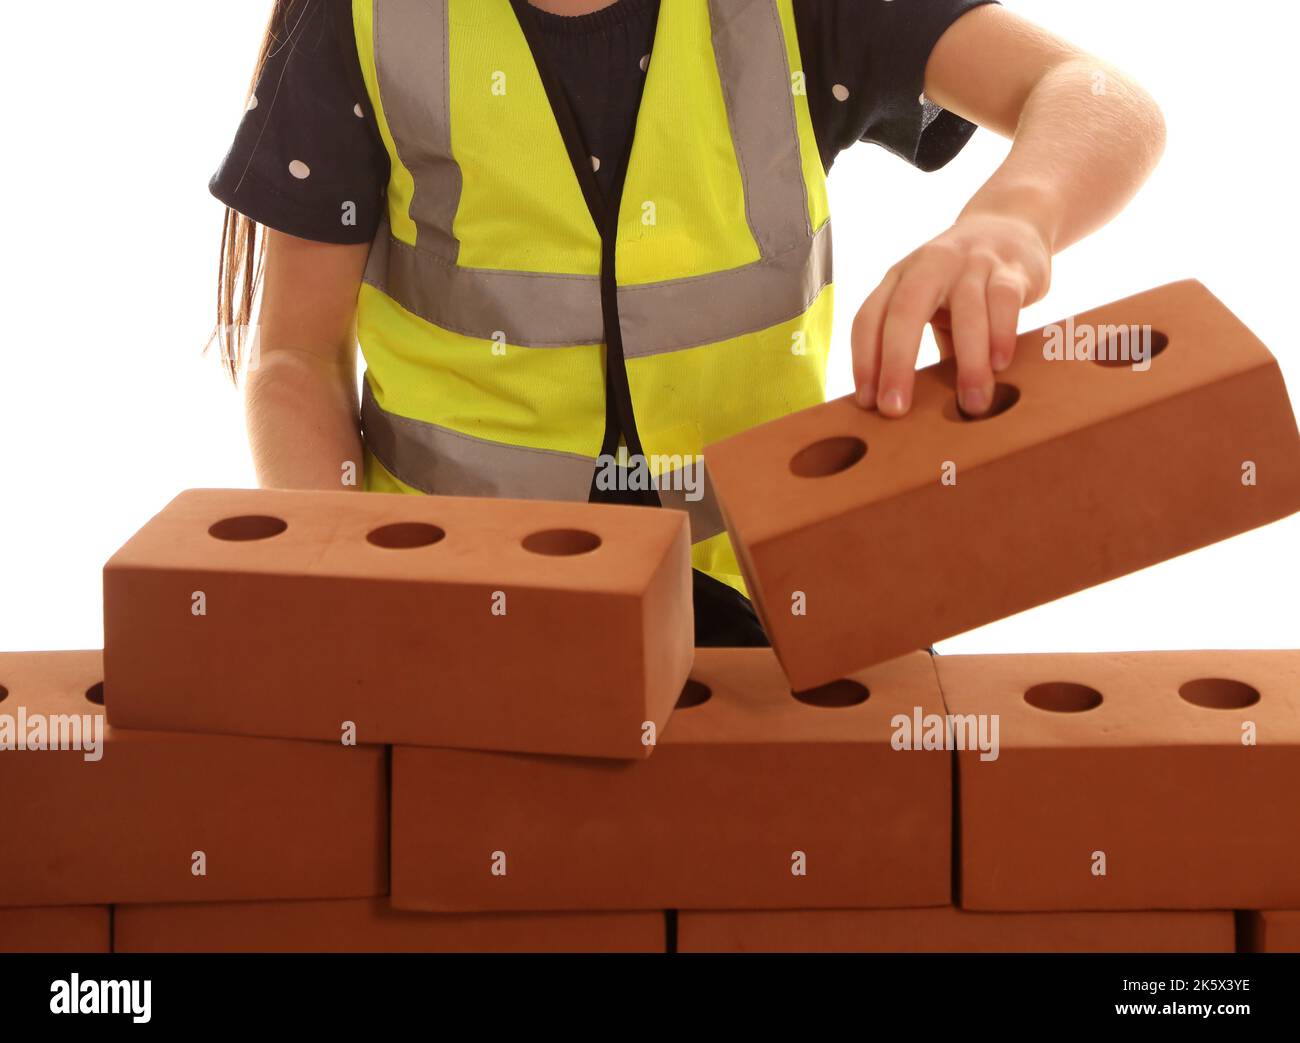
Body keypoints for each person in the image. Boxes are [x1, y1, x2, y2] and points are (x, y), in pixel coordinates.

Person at [210, 0, 1165, 646]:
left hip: (753, 622)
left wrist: (1010, 222)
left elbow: (1097, 97)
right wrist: (334, 579)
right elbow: (293, 355)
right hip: (443, 622)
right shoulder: (363, 18)